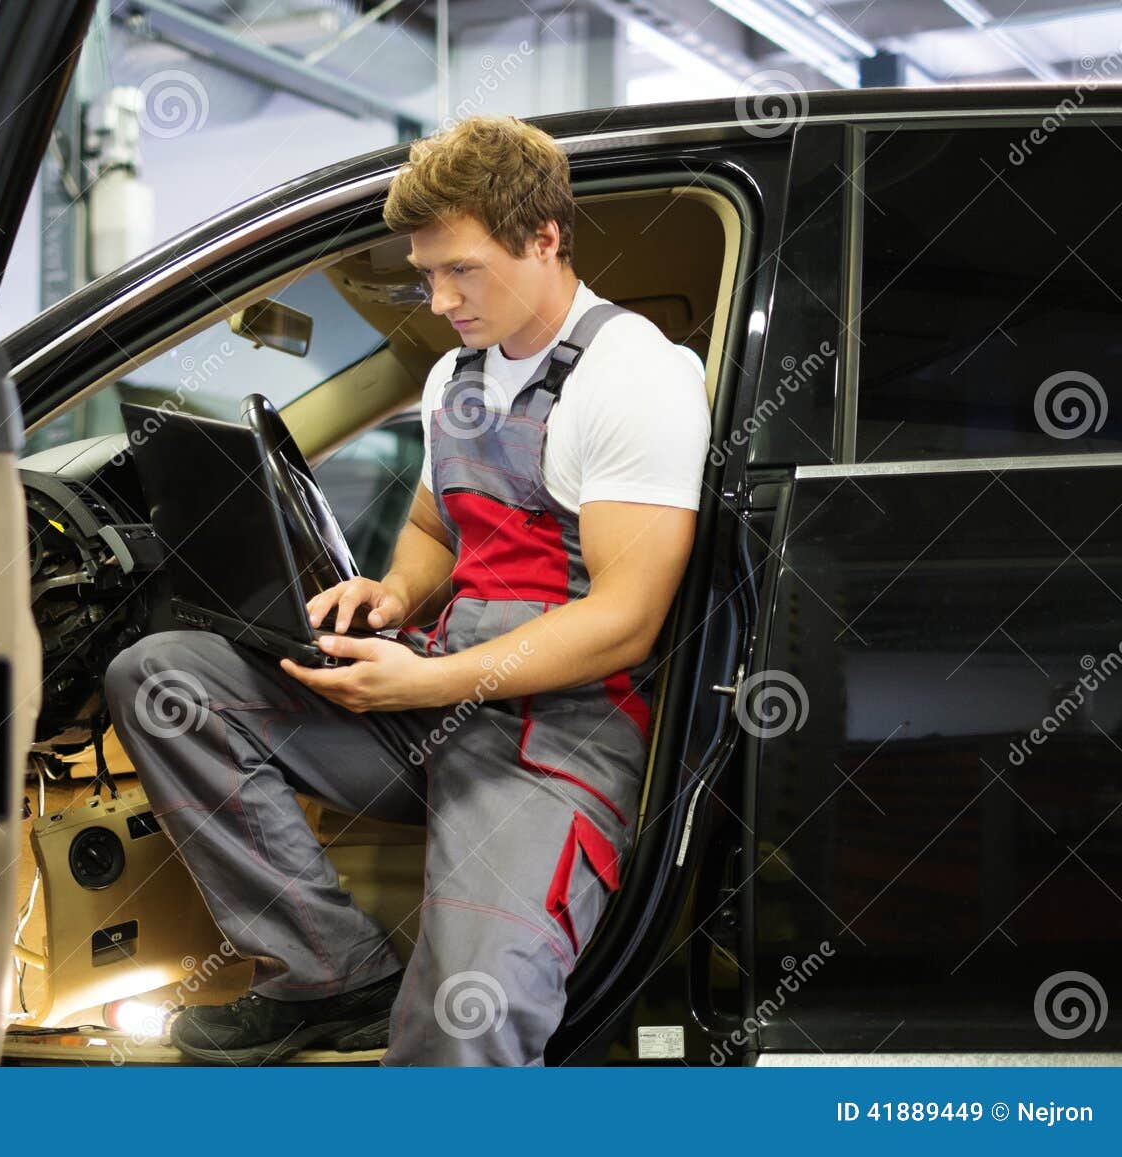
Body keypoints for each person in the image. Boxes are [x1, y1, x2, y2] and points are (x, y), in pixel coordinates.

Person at [102, 113, 709, 1065]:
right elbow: (434, 529)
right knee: (163, 677)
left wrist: (426, 683)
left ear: (545, 237)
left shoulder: (635, 376)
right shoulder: (452, 380)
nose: (438, 298)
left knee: (459, 1025)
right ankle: (330, 974)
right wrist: (390, 596)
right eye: (429, 273)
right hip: (437, 699)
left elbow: (624, 623)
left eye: (460, 269)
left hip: (550, 744)